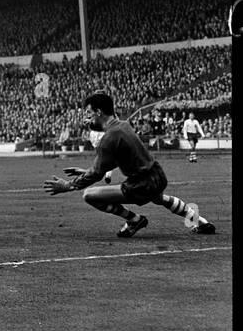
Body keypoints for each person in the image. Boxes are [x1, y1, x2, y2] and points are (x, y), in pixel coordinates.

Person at [43, 93, 216, 238]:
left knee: (89, 195)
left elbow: (97, 173)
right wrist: (85, 171)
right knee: (159, 198)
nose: (87, 118)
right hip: (157, 175)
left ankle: (134, 220)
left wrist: (67, 185)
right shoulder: (124, 125)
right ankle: (201, 222)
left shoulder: (109, 138)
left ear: (98, 111)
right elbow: (121, 158)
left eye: (89, 113)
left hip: (141, 184)